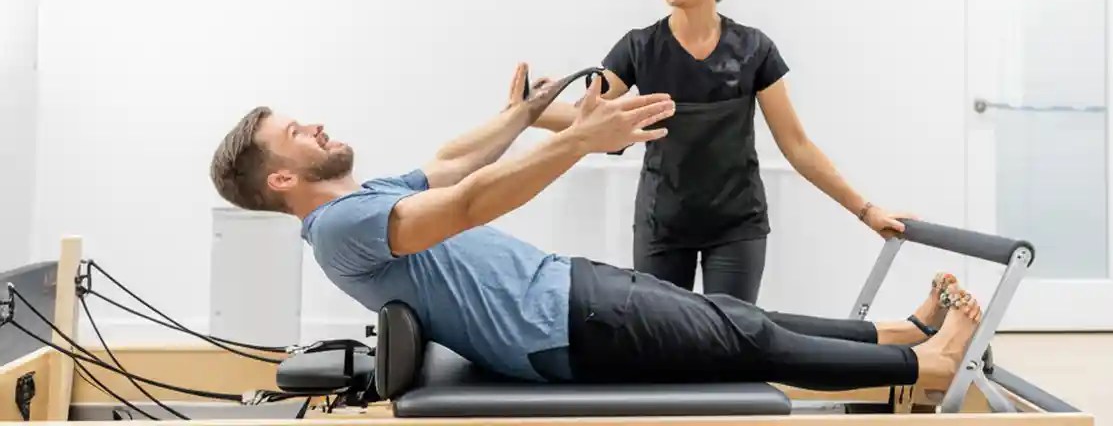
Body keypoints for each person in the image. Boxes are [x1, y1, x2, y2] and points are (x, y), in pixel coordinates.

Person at [207, 65, 980, 397]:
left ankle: (897, 334)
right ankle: (928, 370)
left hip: (565, 294)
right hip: (561, 328)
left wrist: (521, 113)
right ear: (281, 180)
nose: (311, 125)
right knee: (741, 344)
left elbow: (450, 162)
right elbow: (469, 203)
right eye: (293, 133)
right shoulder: (342, 226)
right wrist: (576, 139)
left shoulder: (359, 197)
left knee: (742, 319)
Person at [528, 0, 913, 304]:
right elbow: (584, 119)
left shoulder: (754, 48)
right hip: (661, 226)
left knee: (731, 348)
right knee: (661, 347)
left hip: (737, 228)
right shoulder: (639, 47)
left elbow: (797, 146)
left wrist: (866, 211)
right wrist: (528, 110)